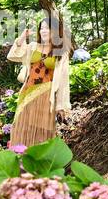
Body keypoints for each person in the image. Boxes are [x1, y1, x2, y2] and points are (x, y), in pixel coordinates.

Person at [7, 9, 72, 150]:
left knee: (43, 131)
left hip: (46, 96)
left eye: (47, 28)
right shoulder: (32, 47)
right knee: (21, 127)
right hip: (27, 92)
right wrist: (21, 39)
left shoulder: (61, 51)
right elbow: (13, 56)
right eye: (41, 28)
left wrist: (61, 106)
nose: (43, 31)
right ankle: (21, 163)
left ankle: (39, 168)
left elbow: (63, 82)